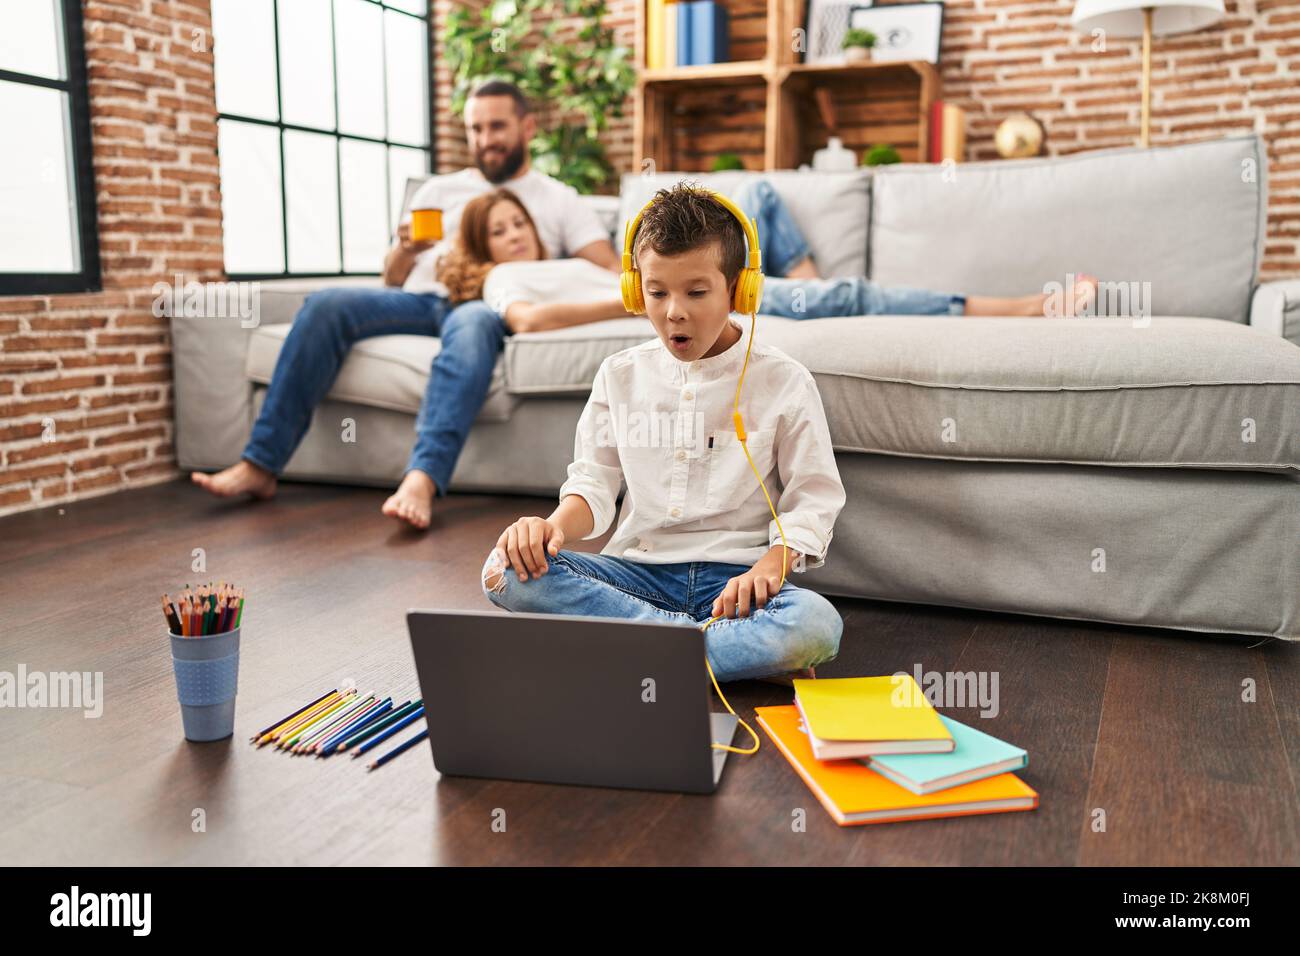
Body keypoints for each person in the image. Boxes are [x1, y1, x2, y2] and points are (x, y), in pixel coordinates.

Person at [191, 79, 620, 531]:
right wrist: (406, 251)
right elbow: (391, 277)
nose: (485, 139)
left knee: (471, 328)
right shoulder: (437, 190)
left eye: (497, 126)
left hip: (486, 305)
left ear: (527, 126)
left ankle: (421, 479)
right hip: (418, 300)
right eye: (475, 129)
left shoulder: (558, 199)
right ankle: (261, 465)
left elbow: (606, 267)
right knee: (325, 305)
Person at [479, 182, 848, 683]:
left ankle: (643, 647)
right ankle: (698, 650)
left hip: (736, 582)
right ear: (636, 291)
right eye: (656, 292)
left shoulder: (783, 381)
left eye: (696, 292)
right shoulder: (619, 374)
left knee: (816, 625)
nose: (674, 310)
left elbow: (813, 499)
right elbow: (594, 485)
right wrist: (552, 528)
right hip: (637, 573)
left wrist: (771, 566)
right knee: (505, 572)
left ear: (740, 289)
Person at [456, 178, 1097, 336]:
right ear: (487, 252)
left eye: (520, 222)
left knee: (755, 192)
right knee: (848, 298)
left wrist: (638, 276)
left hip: (669, 271)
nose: (515, 236)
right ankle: (1023, 308)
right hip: (669, 282)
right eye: (500, 232)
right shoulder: (509, 278)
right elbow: (527, 322)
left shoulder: (578, 255)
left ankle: (802, 276)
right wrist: (637, 297)